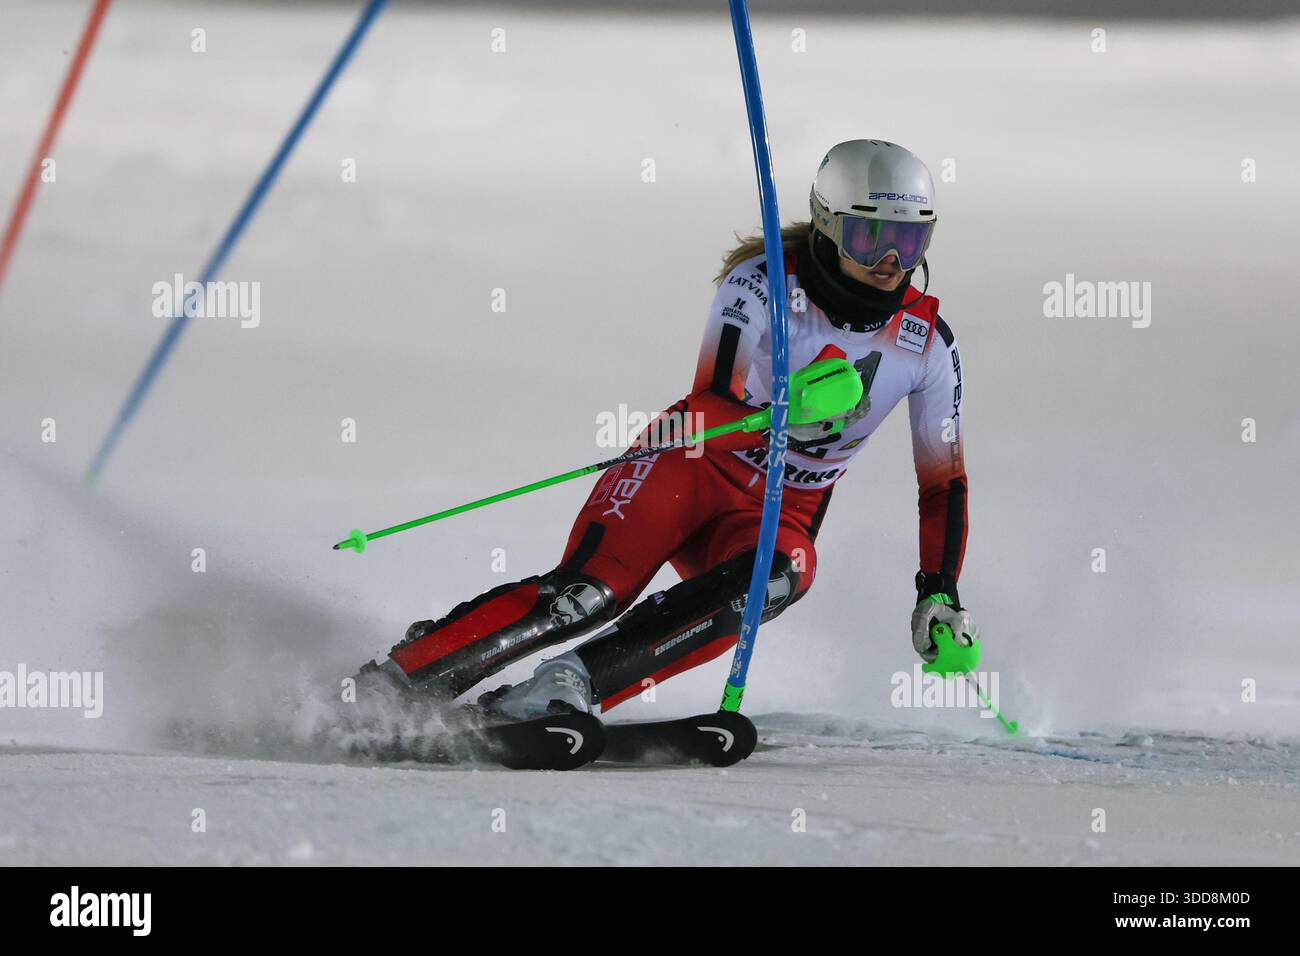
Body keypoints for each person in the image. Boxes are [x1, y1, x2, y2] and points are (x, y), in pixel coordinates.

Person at [358, 139, 978, 718]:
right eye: (871, 238)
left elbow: (942, 486)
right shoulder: (762, 283)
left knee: (783, 573)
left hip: (777, 510)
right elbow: (706, 408)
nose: (892, 261)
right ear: (828, 225)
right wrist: (785, 412)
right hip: (686, 467)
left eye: (911, 240)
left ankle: (569, 684)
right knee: (585, 596)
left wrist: (939, 591)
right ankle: (394, 684)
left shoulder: (927, 344)